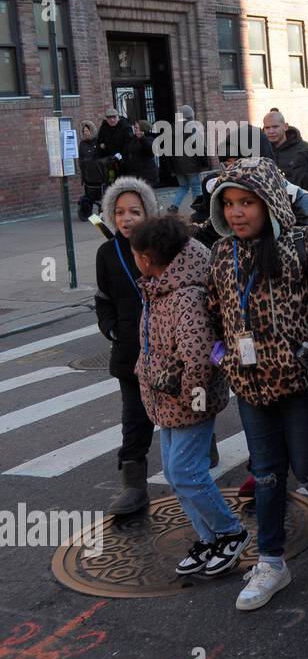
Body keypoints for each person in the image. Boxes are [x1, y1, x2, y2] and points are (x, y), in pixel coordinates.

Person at [206, 157, 308, 611]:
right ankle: (272, 561)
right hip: (251, 385)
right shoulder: (222, 254)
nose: (237, 212)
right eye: (230, 203)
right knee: (267, 471)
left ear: (269, 202)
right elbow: (216, 314)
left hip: (301, 382)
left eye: (247, 202)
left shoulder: (307, 242)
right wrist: (228, 358)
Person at [129, 215, 248, 576]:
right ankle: (207, 536)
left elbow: (198, 356)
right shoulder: (158, 289)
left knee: (186, 472)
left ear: (147, 257)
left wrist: (186, 397)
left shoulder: (184, 295)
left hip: (186, 402)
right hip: (167, 400)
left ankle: (230, 531)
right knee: (175, 472)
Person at [95, 177, 161, 515]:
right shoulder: (106, 253)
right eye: (119, 212)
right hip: (129, 352)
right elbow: (103, 299)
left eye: (134, 211)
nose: (126, 218)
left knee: (188, 406)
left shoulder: (163, 244)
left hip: (168, 352)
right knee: (134, 417)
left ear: (147, 212)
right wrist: (111, 330)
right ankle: (134, 485)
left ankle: (204, 445)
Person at [170, 105, 210, 215]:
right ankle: (198, 211)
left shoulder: (172, 128)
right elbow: (199, 146)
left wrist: (172, 167)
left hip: (178, 166)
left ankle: (174, 205)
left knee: (183, 186)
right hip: (192, 165)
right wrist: (205, 161)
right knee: (197, 188)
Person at [262, 109, 308, 180]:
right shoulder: (260, 150)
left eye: (275, 127)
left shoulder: (305, 149)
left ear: (285, 126)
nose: (271, 131)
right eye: (267, 128)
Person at [120, 120, 159, 186]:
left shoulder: (150, 138)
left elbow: (150, 151)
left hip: (146, 175)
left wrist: (142, 138)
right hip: (135, 174)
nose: (134, 129)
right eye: (134, 127)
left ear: (143, 128)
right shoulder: (133, 139)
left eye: (136, 127)